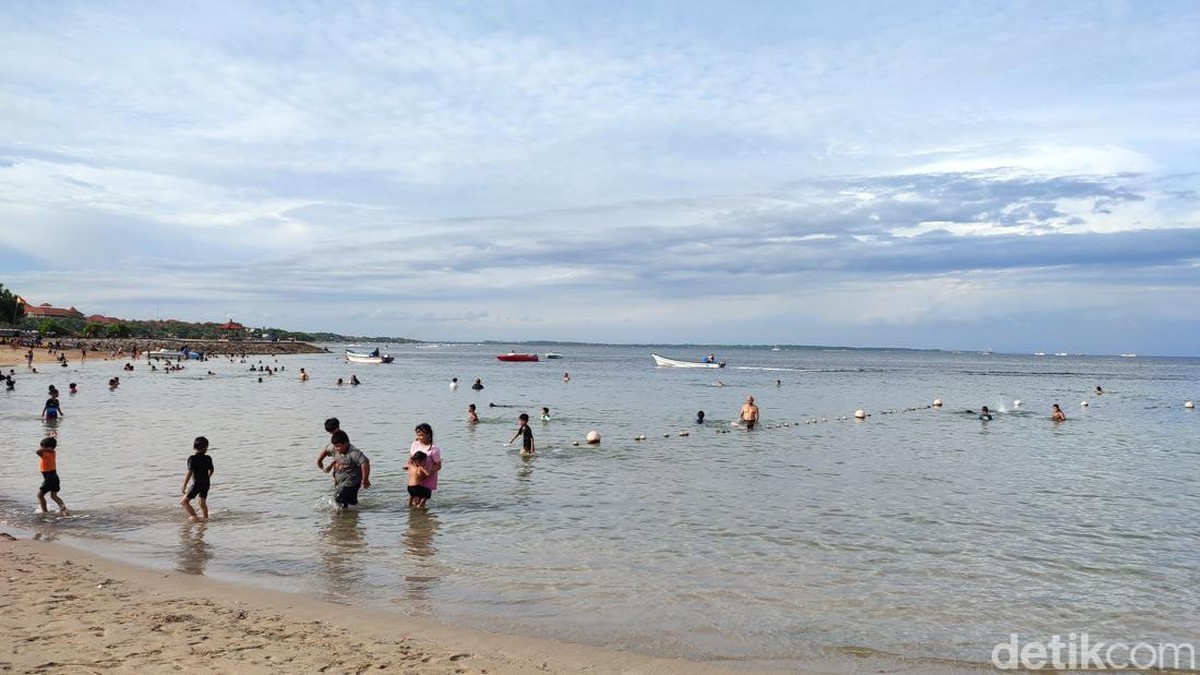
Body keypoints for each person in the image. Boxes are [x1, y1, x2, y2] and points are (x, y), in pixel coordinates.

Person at [327, 430, 370, 509]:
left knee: (339, 501)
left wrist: (365, 480)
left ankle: (340, 518)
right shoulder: (334, 448)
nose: (336, 448)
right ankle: (351, 519)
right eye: (335, 446)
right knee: (351, 504)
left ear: (346, 443)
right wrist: (319, 461)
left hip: (352, 481)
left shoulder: (354, 452)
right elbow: (326, 450)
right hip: (342, 481)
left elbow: (365, 462)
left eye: (338, 446)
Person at [181, 436, 214, 522]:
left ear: (194, 447)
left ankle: (194, 517)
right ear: (206, 447)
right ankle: (206, 519)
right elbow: (212, 470)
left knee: (184, 502)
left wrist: (184, 485)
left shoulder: (192, 458)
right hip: (206, 483)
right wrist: (208, 478)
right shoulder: (208, 458)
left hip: (197, 484)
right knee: (202, 503)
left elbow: (190, 472)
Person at [408, 423, 442, 503]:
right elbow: (410, 460)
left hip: (427, 477)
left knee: (422, 501)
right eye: (417, 435)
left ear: (428, 434)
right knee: (414, 500)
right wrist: (414, 469)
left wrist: (428, 472)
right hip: (415, 477)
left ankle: (423, 514)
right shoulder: (415, 444)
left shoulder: (434, 449)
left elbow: (438, 465)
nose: (418, 437)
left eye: (421, 435)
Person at [36, 437, 69, 515]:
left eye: (42, 446)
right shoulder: (53, 453)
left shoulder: (45, 454)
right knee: (53, 496)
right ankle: (64, 510)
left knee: (40, 495)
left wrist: (46, 449)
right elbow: (46, 449)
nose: (41, 448)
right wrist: (49, 446)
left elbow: (37, 451)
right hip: (55, 477)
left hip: (49, 478)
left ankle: (45, 512)